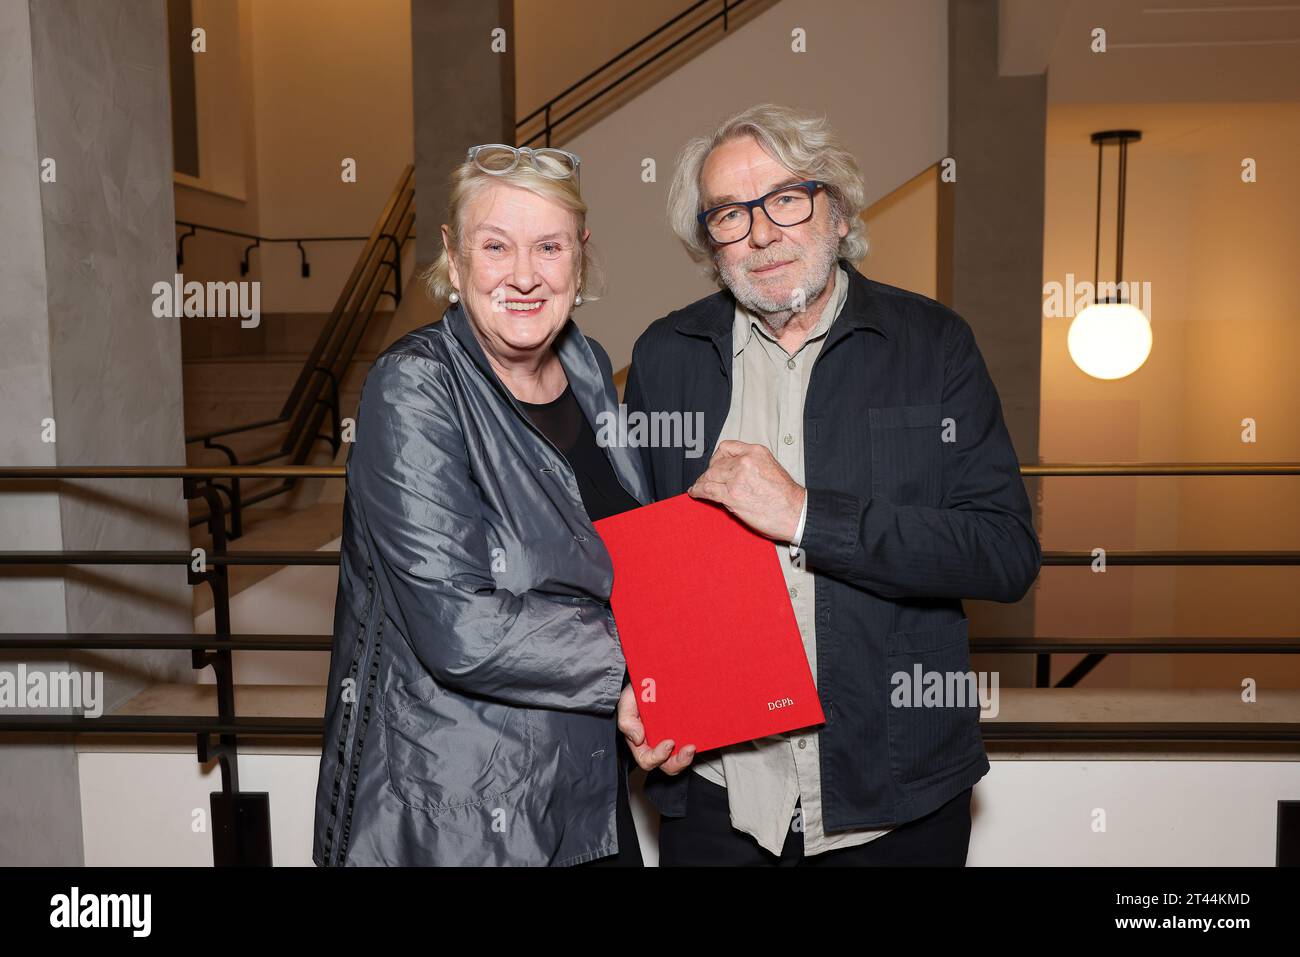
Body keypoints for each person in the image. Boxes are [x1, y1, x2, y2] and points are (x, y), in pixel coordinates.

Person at [619, 104, 1041, 866]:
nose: (761, 232)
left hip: (896, 804)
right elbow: (638, 565)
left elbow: (1005, 552)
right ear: (709, 244)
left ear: (837, 210)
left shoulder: (933, 345)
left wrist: (808, 515)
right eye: (729, 214)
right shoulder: (665, 356)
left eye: (786, 198)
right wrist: (638, 682)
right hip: (718, 802)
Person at [313, 144, 648, 866]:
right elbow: (461, 626)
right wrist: (658, 657)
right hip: (463, 809)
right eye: (495, 245)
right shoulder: (413, 387)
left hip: (589, 785)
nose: (524, 275)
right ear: (454, 257)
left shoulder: (588, 365)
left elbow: (622, 551)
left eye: (549, 246)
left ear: (579, 255)